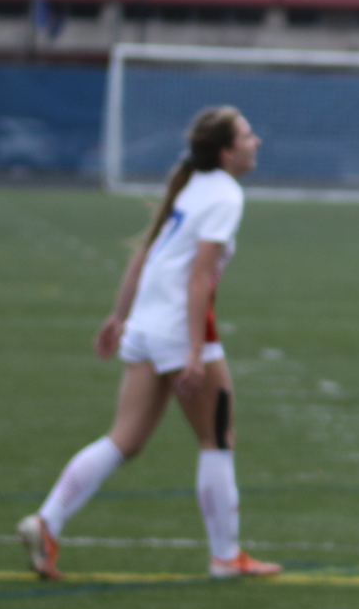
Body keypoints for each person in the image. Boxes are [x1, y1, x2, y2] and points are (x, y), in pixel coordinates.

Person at [15, 106, 280, 582]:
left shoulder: (193, 185)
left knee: (124, 440)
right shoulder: (224, 195)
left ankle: (45, 522)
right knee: (217, 439)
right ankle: (225, 556)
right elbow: (198, 279)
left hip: (146, 326)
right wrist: (195, 353)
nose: (256, 141)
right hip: (179, 330)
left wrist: (119, 316)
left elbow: (146, 254)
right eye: (246, 134)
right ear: (225, 151)